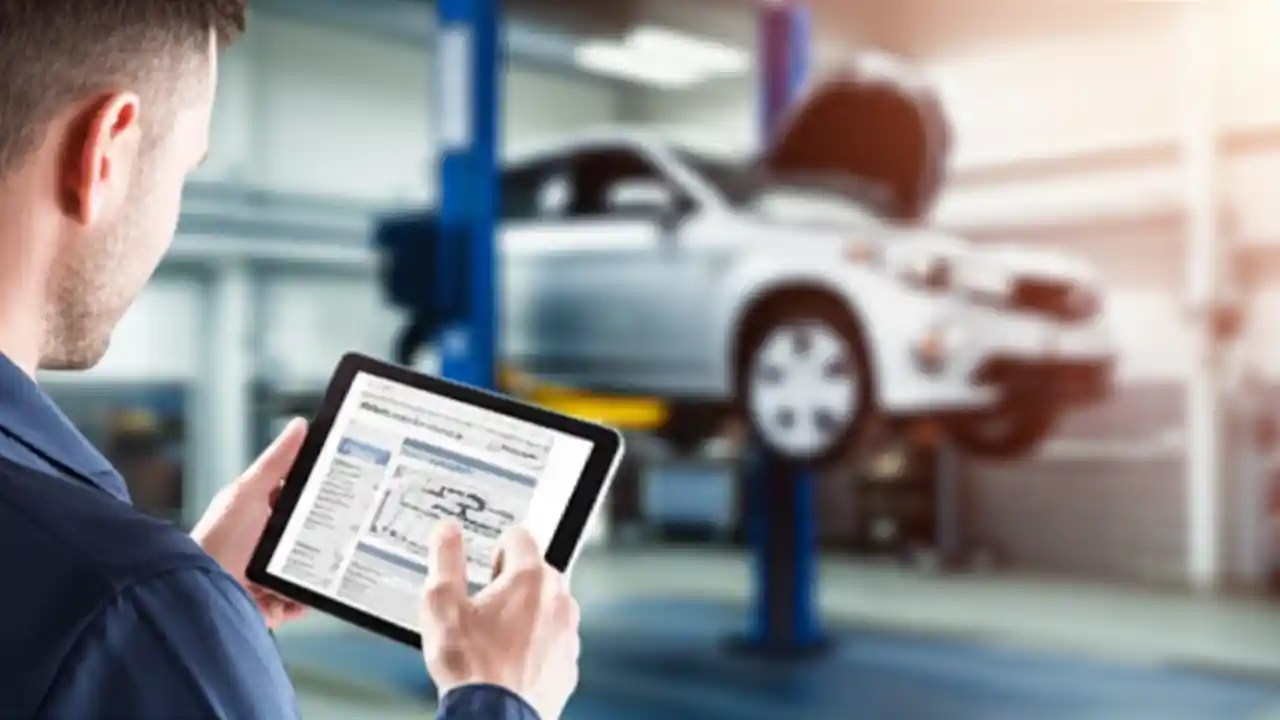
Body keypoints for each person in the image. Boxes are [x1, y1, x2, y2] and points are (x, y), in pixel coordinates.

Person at [0, 1, 580, 718]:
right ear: (106, 153)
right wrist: (502, 696)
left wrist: (195, 592)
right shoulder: (133, 613)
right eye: (186, 169)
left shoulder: (130, 604)